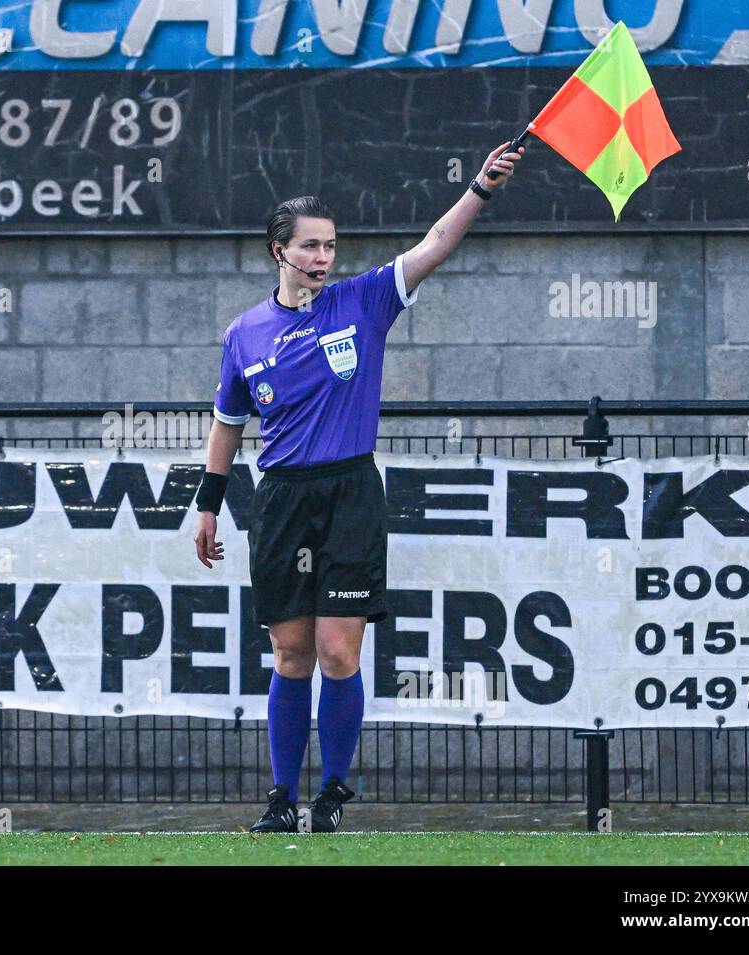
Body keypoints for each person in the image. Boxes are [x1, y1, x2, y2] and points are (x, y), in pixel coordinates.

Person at [193, 144, 523, 833]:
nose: (322, 257)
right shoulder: (245, 333)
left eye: (330, 245)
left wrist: (480, 188)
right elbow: (227, 424)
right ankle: (281, 797)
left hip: (350, 493)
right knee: (291, 653)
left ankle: (334, 790)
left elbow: (435, 244)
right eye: (309, 246)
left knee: (340, 651)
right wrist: (208, 505)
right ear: (277, 251)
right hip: (282, 497)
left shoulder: (364, 301)